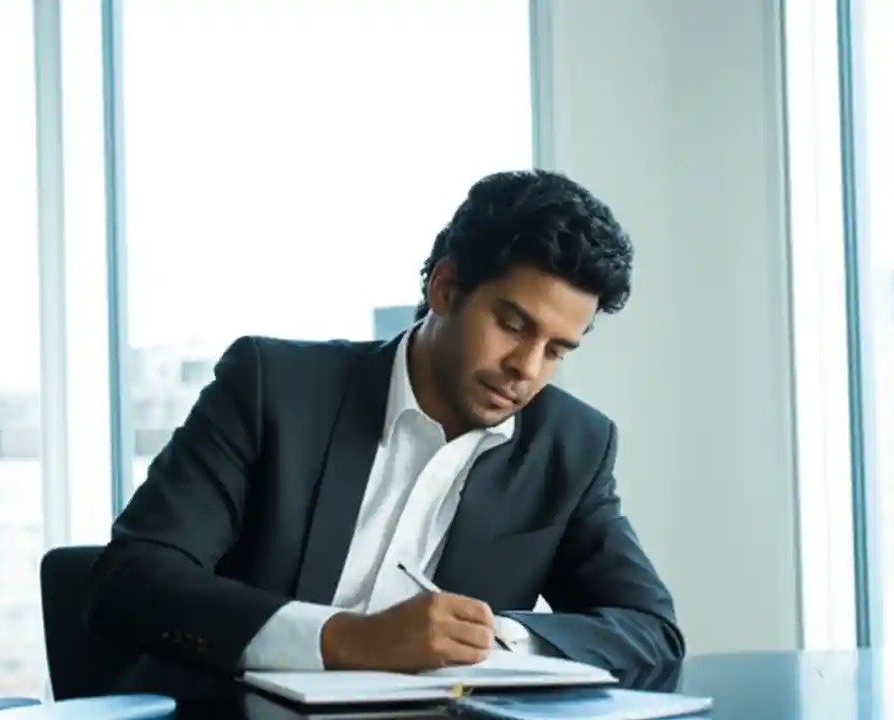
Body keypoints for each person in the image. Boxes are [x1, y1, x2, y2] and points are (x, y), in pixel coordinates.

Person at [86, 170, 684, 693]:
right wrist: (347, 639)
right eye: (511, 325)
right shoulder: (274, 389)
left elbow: (650, 630)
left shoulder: (570, 446)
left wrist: (491, 637)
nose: (526, 369)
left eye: (556, 349)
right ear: (445, 288)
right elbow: (135, 577)